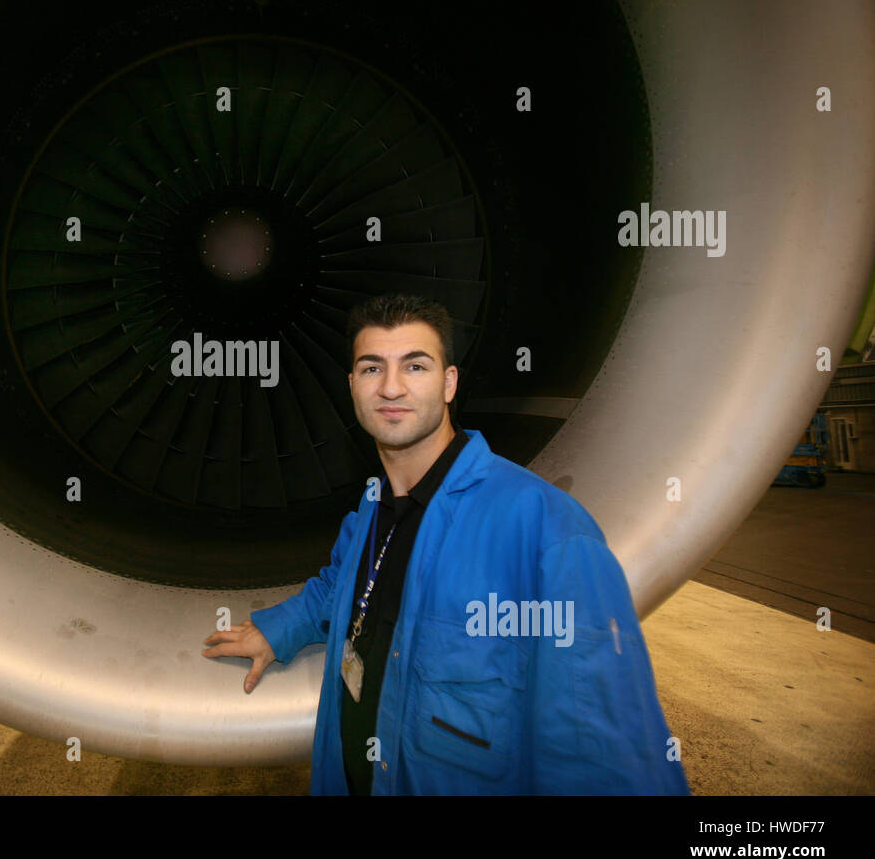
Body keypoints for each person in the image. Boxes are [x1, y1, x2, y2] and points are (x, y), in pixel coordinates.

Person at [203, 293, 689, 795]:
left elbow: (605, 758)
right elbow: (340, 589)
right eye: (372, 368)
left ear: (449, 382)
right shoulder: (372, 512)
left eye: (415, 365)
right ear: (352, 386)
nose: (391, 387)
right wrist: (277, 628)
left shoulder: (547, 531)